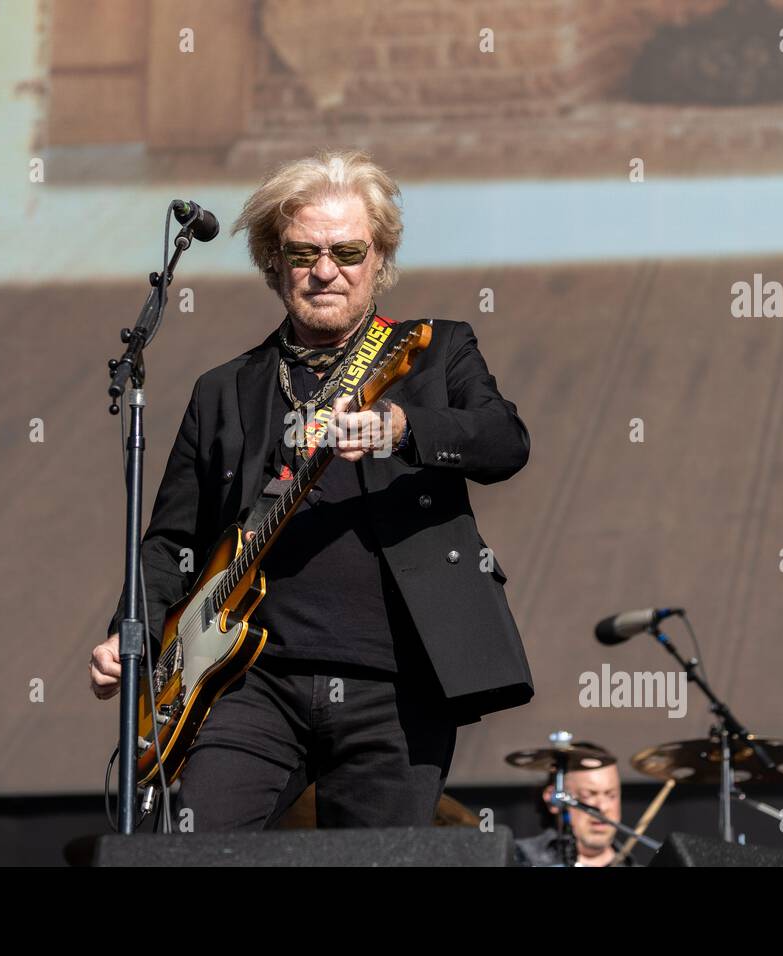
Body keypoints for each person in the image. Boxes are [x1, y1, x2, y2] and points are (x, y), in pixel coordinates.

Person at [90, 148, 532, 831]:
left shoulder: (433, 351)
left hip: (398, 683)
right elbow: (172, 541)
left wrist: (404, 426)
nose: (325, 270)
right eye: (303, 253)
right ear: (274, 262)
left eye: (347, 250)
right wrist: (132, 634)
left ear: (379, 259)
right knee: (189, 846)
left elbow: (504, 443)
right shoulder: (225, 391)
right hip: (248, 682)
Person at [515, 758, 633, 866]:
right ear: (553, 798)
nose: (602, 807)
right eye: (588, 795)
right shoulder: (518, 857)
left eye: (611, 795)